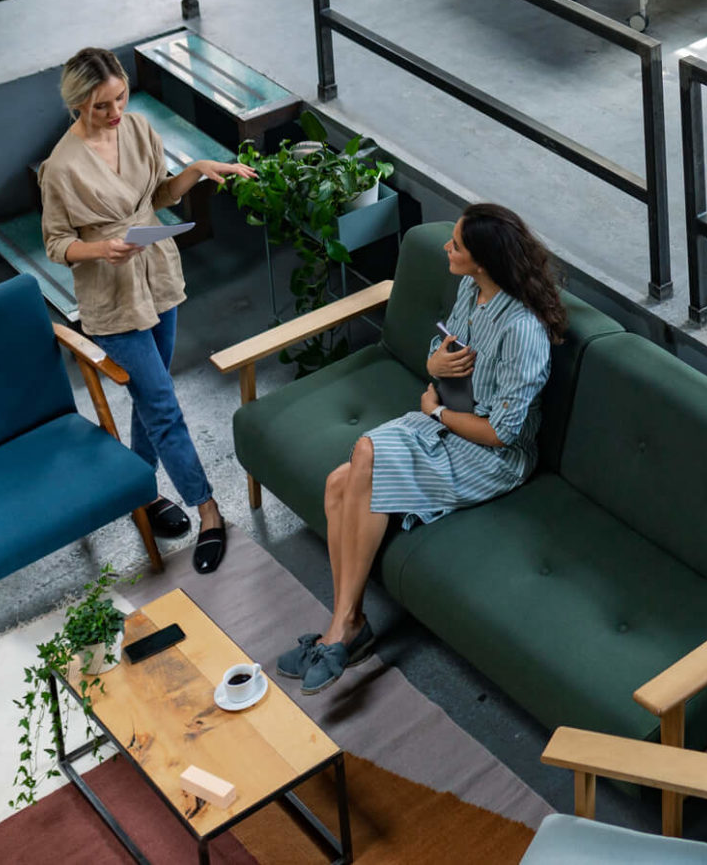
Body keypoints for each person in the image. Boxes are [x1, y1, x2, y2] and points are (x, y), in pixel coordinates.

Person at [279, 204, 568, 696]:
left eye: (455, 245)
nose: (445, 249)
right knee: (336, 483)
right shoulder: (470, 290)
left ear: (484, 259)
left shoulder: (521, 331)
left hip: (490, 458)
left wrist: (435, 414)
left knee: (366, 452)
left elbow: (503, 434)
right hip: (449, 424)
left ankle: (343, 630)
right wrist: (435, 363)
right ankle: (345, 624)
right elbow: (443, 362)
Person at [40, 48, 257, 573]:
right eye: (101, 106)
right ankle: (208, 510)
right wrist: (100, 250)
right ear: (76, 106)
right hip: (111, 297)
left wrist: (199, 171)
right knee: (162, 405)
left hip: (156, 276)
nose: (116, 113)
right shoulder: (61, 168)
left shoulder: (137, 129)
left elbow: (157, 194)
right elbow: (55, 244)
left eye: (120, 98)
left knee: (148, 398)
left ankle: (142, 492)